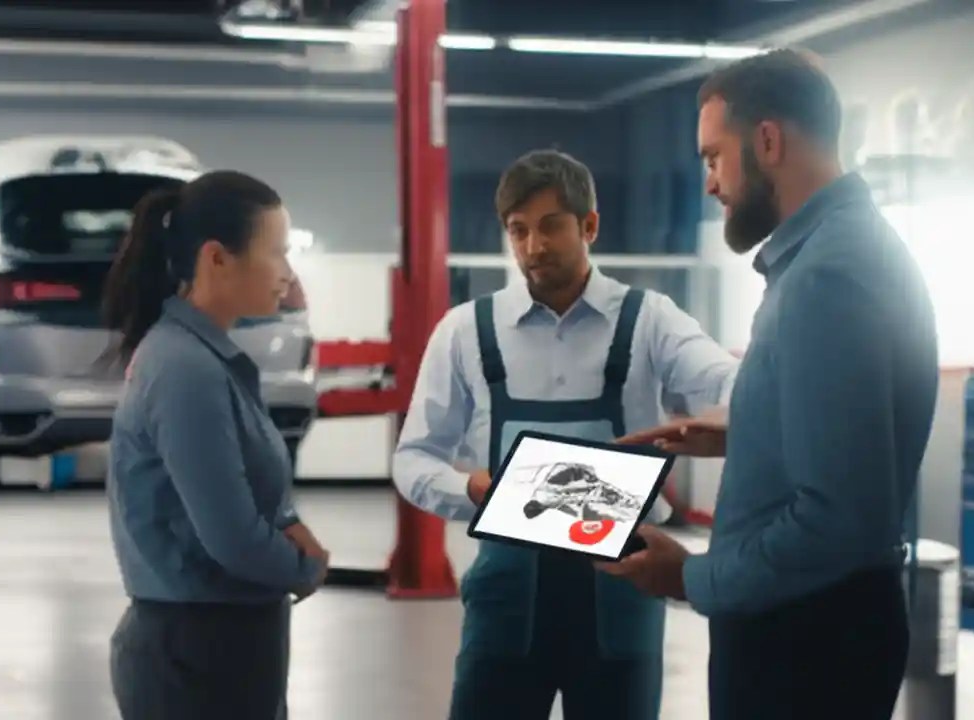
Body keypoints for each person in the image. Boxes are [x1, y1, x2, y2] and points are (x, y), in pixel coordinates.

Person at [599, 49, 939, 720]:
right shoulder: (840, 252)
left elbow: (838, 520)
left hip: (804, 644)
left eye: (712, 157)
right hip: (817, 629)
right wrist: (747, 431)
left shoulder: (825, 278)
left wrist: (690, 577)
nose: (709, 184)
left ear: (768, 141)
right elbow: (853, 439)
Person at [392, 149, 740, 720]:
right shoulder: (465, 331)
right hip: (506, 601)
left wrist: (731, 418)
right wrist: (475, 489)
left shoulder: (650, 320)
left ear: (590, 225)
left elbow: (733, 384)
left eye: (551, 226)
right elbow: (414, 459)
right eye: (518, 230)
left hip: (622, 597)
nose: (534, 247)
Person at [101, 170, 331, 720]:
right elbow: (234, 540)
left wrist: (286, 517)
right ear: (217, 259)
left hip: (220, 648)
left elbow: (239, 493)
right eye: (276, 253)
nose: (287, 274)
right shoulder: (186, 369)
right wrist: (307, 567)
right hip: (198, 658)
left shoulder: (202, 357)